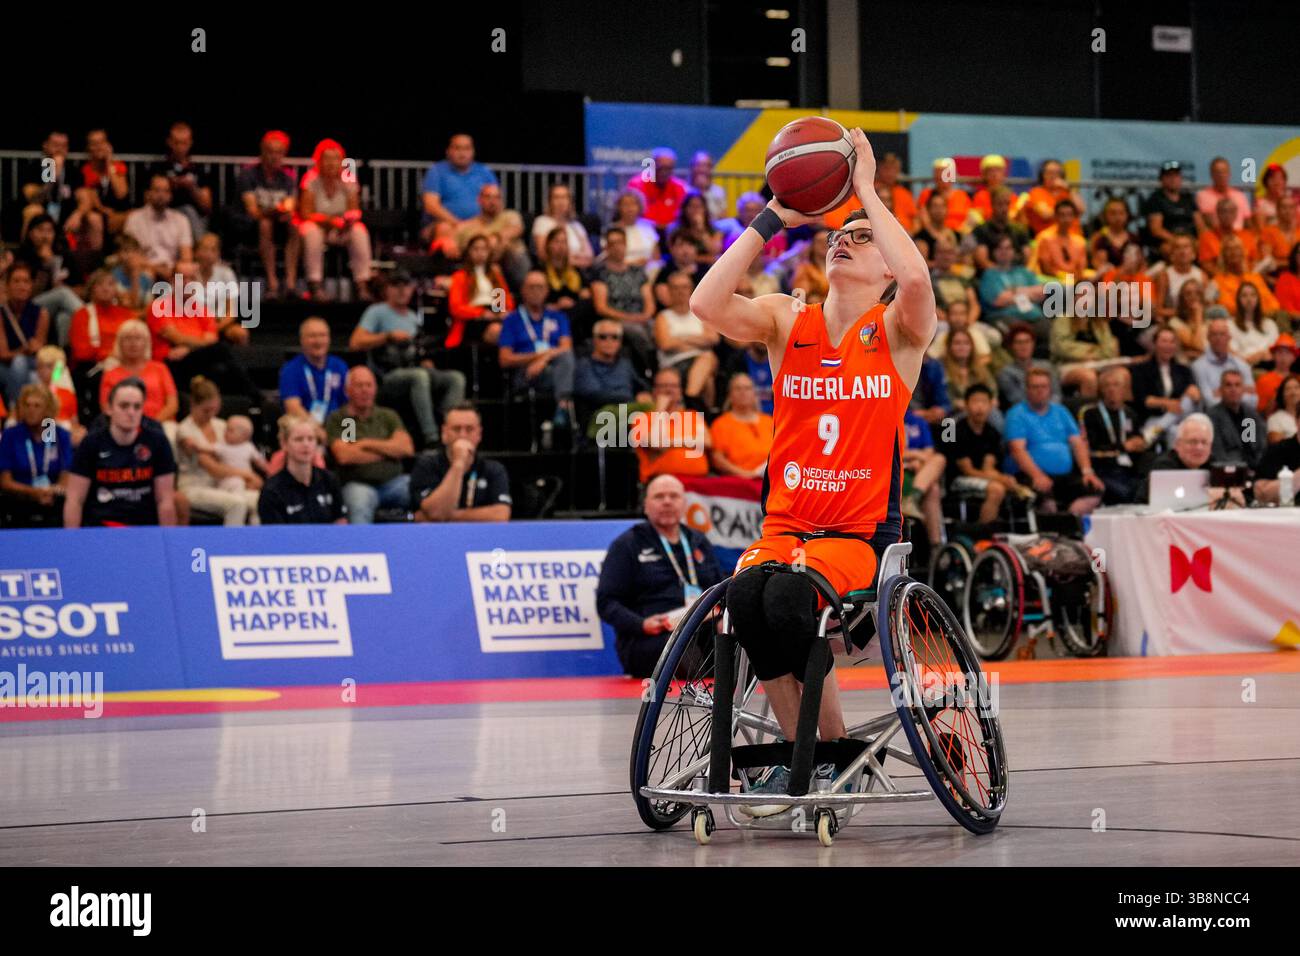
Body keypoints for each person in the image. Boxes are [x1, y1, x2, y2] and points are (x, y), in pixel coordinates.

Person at [690, 128, 939, 807]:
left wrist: (863, 192)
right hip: (785, 525)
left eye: (861, 239)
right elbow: (704, 305)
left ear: (884, 265)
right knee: (745, 603)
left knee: (790, 601)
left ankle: (821, 751)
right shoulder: (784, 319)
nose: (843, 240)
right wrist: (774, 213)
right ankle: (810, 752)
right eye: (838, 236)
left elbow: (917, 275)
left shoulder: (898, 332)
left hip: (854, 537)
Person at [595, 474, 724, 678]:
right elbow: (606, 602)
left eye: (674, 496)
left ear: (684, 504)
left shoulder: (698, 541)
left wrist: (721, 618)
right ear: (646, 505)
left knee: (740, 644)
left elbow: (718, 590)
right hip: (651, 638)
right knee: (680, 650)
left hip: (700, 627)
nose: (667, 501)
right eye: (659, 496)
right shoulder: (627, 545)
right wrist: (641, 624)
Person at [351, 270, 467, 448]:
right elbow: (355, 342)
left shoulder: (413, 317)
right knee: (419, 376)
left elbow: (418, 349)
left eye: (406, 286)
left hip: (412, 367)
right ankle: (432, 437)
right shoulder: (377, 311)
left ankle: (451, 429)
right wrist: (387, 336)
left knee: (455, 378)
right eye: (396, 286)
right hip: (387, 374)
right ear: (387, 289)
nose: (402, 291)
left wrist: (425, 360)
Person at [64, 377, 177, 527]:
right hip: (100, 528)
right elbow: (75, 500)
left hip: (144, 529)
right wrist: (72, 543)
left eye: (137, 407)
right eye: (124, 406)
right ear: (109, 408)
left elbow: (165, 501)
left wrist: (168, 544)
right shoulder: (91, 443)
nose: (131, 412)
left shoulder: (158, 442)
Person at [1005, 368, 1105, 514]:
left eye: (1044, 387)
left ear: (1050, 389)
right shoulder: (1016, 414)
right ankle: (1053, 527)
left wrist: (1087, 472)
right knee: (1046, 500)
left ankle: (1069, 522)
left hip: (1063, 476)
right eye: (1035, 387)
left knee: (1095, 490)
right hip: (1028, 474)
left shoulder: (1061, 412)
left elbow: (1078, 443)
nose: (1040, 391)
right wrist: (1037, 475)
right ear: (1027, 390)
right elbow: (1017, 450)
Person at [325, 366, 414, 524]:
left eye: (369, 385)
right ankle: (362, 548)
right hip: (359, 485)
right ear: (347, 390)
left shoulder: (387, 416)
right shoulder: (347, 420)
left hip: (394, 483)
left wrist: (366, 443)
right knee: (359, 502)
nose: (365, 390)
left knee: (423, 489)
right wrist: (388, 450)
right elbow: (346, 456)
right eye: (359, 386)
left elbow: (406, 448)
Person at [174, 377, 261, 526]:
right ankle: (230, 547)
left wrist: (249, 480)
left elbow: (234, 455)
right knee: (237, 504)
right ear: (193, 405)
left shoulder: (222, 425)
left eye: (215, 409)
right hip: (195, 487)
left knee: (260, 501)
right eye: (206, 410)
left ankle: (255, 545)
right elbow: (213, 468)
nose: (211, 415)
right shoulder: (185, 431)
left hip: (224, 485)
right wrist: (248, 475)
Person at [297, 138, 373, 301]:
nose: (331, 163)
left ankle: (362, 284)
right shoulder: (311, 179)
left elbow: (354, 210)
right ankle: (314, 284)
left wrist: (347, 220)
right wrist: (328, 221)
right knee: (311, 231)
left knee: (359, 231)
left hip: (341, 229)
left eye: (336, 159)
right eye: (327, 159)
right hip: (318, 227)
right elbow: (305, 212)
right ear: (319, 161)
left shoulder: (348, 179)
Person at [409, 402, 511, 523]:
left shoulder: (493, 469)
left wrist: (450, 515)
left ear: (479, 434)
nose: (462, 435)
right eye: (456, 429)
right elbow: (436, 512)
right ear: (444, 433)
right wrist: (458, 464)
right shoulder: (427, 465)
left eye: (469, 429)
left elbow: (500, 515)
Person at [497, 271, 575, 422]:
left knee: (569, 362)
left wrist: (544, 358)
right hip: (526, 373)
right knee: (568, 368)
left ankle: (562, 406)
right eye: (531, 287)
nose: (536, 291)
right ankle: (565, 408)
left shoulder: (558, 317)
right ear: (523, 290)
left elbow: (566, 348)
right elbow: (504, 359)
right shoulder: (511, 319)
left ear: (547, 290)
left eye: (540, 287)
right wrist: (536, 358)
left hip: (554, 369)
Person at [237, 130, 300, 299]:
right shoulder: (248, 175)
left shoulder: (287, 179)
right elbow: (253, 211)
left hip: (278, 224)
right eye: (270, 151)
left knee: (294, 224)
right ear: (262, 152)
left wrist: (286, 212)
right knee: (265, 224)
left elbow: (290, 206)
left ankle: (290, 284)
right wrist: (273, 211)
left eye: (279, 152)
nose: (274, 156)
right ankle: (272, 283)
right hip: (250, 226)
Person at [0, 384, 74, 527]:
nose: (31, 410)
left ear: (48, 409)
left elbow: (66, 475)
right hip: (19, 503)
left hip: (52, 502)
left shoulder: (55, 433)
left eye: (37, 406)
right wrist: (33, 493)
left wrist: (53, 491)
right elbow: (5, 482)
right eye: (27, 405)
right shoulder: (12, 434)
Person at [946, 383, 1020, 526]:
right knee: (997, 489)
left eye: (984, 402)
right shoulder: (953, 429)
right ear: (966, 405)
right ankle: (982, 532)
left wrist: (1004, 478)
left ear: (991, 406)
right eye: (975, 401)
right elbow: (967, 470)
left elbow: (988, 467)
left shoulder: (992, 432)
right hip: (958, 479)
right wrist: (1000, 479)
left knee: (1012, 486)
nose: (979, 407)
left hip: (982, 478)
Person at [258, 414, 347, 524]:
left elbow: (340, 522)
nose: (306, 444)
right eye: (298, 439)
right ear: (284, 444)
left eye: (311, 439)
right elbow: (274, 536)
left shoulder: (329, 480)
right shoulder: (272, 490)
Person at [591, 227, 655, 375]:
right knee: (636, 331)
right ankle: (650, 368)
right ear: (606, 247)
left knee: (658, 328)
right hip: (616, 318)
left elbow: (649, 300)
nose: (617, 247)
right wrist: (631, 318)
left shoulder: (637, 271)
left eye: (620, 242)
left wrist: (645, 315)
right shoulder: (600, 273)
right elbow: (601, 307)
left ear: (626, 244)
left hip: (641, 317)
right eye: (612, 243)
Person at [421, 133, 499, 252]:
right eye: (457, 148)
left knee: (509, 223)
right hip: (446, 225)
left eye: (467, 148)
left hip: (479, 224)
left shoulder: (484, 171)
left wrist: (477, 223)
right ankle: (451, 269)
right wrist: (458, 224)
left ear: (473, 151)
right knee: (444, 228)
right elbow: (431, 205)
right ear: (448, 151)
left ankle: (489, 269)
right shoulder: (437, 171)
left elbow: (496, 200)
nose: (462, 153)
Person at [1080, 366, 1148, 503]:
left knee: (1146, 487)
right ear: (1101, 390)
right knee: (1127, 493)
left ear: (1124, 389)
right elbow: (1090, 447)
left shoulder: (1130, 413)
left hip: (1129, 469)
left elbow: (1138, 438)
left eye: (1116, 385)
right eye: (1107, 385)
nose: (1112, 389)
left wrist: (1140, 443)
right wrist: (1122, 446)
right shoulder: (1090, 413)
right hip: (1104, 469)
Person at [632, 366, 710, 483]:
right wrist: (660, 411)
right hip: (661, 483)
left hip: (698, 483)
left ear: (680, 391)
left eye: (674, 386)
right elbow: (655, 443)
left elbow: (707, 442)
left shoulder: (693, 415)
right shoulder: (641, 418)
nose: (669, 390)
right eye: (663, 386)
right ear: (654, 391)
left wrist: (668, 443)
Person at [655, 270, 720, 409]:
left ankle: (691, 398)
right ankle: (697, 404)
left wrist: (681, 339)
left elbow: (714, 338)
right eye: (676, 287)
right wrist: (698, 341)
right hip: (675, 364)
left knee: (707, 359)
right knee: (708, 377)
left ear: (691, 290)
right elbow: (666, 344)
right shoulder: (663, 317)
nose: (680, 291)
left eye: (684, 287)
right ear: (669, 291)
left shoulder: (699, 314)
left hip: (701, 360)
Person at [572, 319, 651, 428]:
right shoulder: (584, 365)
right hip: (599, 418)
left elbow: (641, 385)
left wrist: (643, 393)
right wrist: (632, 400)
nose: (609, 341)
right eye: (603, 337)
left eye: (614, 337)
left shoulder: (625, 364)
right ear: (594, 340)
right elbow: (595, 395)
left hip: (628, 414)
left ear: (620, 341)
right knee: (650, 408)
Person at [99, 320, 179, 423]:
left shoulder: (160, 369)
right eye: (128, 338)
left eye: (138, 338)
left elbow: (172, 405)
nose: (133, 343)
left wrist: (153, 425)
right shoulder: (110, 374)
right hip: (123, 427)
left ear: (146, 342)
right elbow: (106, 407)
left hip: (161, 424)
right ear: (119, 344)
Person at [146, 121, 213, 241]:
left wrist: (192, 188)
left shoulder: (198, 170)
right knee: (186, 211)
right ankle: (202, 248)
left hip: (194, 218)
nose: (180, 147)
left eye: (184, 143)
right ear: (169, 142)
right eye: (176, 143)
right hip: (164, 214)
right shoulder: (159, 169)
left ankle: (202, 249)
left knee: (190, 212)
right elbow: (147, 198)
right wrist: (168, 186)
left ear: (190, 143)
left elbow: (207, 206)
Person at [446, 233, 514, 348]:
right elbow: (456, 307)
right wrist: (481, 313)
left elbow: (503, 303)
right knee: (498, 331)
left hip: (494, 314)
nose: (480, 253)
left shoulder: (495, 276)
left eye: (484, 249)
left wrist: (502, 311)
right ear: (469, 252)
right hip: (472, 319)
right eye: (476, 249)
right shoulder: (460, 276)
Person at [1130, 327, 1201, 438]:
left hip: (1181, 416)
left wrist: (1193, 393)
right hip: (1154, 416)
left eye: (1172, 342)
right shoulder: (1141, 369)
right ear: (1154, 344)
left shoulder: (1183, 370)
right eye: (1164, 341)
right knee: (1174, 432)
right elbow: (1143, 400)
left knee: (1188, 402)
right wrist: (1168, 403)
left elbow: (1195, 398)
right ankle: (1161, 426)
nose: (1168, 346)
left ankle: (1154, 431)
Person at [279, 317, 349, 425]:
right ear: (302, 340)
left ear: (329, 339)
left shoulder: (339, 366)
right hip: (305, 430)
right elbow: (293, 408)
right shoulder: (290, 370)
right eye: (312, 336)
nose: (318, 341)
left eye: (322, 335)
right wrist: (317, 431)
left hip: (337, 427)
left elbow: (349, 404)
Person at [455, 183, 528, 285]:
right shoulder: (466, 227)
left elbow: (515, 230)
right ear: (479, 200)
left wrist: (497, 239)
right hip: (474, 273)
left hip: (508, 273)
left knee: (515, 252)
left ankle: (503, 298)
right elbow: (456, 251)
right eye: (488, 197)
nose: (492, 201)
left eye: (497, 197)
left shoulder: (510, 216)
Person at [123, 175, 193, 279]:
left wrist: (174, 270)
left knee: (186, 269)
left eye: (166, 191)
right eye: (157, 190)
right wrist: (157, 269)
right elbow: (130, 254)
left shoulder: (181, 220)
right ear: (147, 193)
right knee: (143, 271)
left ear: (170, 195)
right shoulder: (134, 219)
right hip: (145, 268)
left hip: (172, 269)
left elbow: (186, 256)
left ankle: (179, 295)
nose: (161, 195)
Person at [1, 263, 51, 404]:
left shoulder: (42, 313)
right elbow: (3, 354)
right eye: (16, 281)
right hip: (5, 365)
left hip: (32, 362)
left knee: (37, 372)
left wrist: (36, 348)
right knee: (21, 366)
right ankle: (19, 410)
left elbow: (40, 350)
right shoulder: (1, 313)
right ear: (7, 285)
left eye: (26, 281)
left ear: (31, 286)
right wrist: (25, 349)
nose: (21, 286)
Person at [1137, 412, 1214, 502]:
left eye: (1204, 442)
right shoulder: (1164, 467)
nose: (1199, 447)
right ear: (1177, 444)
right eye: (1193, 442)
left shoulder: (1213, 465)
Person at [708, 373, 773, 479]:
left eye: (747, 388)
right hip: (739, 483)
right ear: (729, 395)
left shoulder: (769, 421)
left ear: (754, 394)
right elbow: (717, 459)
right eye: (738, 388)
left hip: (771, 479)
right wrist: (746, 474)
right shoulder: (721, 424)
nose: (743, 392)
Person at [979, 235, 1047, 335]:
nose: (1004, 252)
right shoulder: (990, 275)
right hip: (1005, 316)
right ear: (994, 252)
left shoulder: (1024, 272)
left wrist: (1014, 291)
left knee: (1047, 331)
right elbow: (999, 300)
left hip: (1033, 315)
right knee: (1019, 334)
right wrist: (1028, 292)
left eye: (1008, 248)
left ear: (1014, 251)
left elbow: (1041, 293)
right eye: (999, 248)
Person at [1192, 318, 1258, 409]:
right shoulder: (1198, 366)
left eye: (1222, 334)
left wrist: (1221, 393)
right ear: (1208, 338)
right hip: (1214, 417)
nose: (1218, 338)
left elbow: (1253, 400)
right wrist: (1241, 391)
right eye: (1214, 334)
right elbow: (1209, 401)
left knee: (1251, 422)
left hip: (1243, 415)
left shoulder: (1242, 365)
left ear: (1229, 337)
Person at [1207, 369, 1266, 468]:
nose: (1233, 389)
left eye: (1237, 385)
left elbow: (1257, 448)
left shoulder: (1250, 414)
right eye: (1228, 385)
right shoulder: (1212, 416)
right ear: (1220, 389)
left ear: (1243, 389)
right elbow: (1218, 453)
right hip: (1229, 471)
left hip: (1254, 468)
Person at [530, 182, 595, 268]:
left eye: (564, 197)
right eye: (556, 197)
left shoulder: (577, 226)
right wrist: (575, 259)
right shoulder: (542, 222)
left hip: (580, 272)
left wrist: (569, 260)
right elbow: (543, 254)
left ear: (570, 201)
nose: (561, 201)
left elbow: (590, 256)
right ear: (550, 201)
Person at [997, 322, 1060, 409]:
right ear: (1011, 346)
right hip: (1025, 413)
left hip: (1051, 411)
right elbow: (1017, 399)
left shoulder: (1047, 366)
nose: (1024, 346)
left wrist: (1049, 411)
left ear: (1033, 344)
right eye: (1019, 342)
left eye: (1027, 341)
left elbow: (1056, 394)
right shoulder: (1005, 373)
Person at [1141, 160, 1198, 257]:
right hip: (1168, 241)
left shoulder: (1188, 198)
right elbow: (1156, 230)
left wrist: (1199, 241)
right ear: (1161, 179)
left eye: (1176, 175)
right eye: (1169, 176)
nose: (1173, 179)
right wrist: (1177, 241)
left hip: (1190, 240)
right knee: (1173, 250)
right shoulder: (1155, 200)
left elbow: (1200, 224)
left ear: (1180, 178)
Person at [972, 188, 1030, 273]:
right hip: (991, 277)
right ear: (992, 204)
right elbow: (982, 261)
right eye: (1000, 204)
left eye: (1007, 204)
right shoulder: (981, 230)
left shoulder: (1020, 230)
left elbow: (1027, 258)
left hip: (1016, 274)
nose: (1004, 208)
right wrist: (1003, 274)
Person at [627, 148, 689, 229]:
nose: (664, 172)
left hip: (671, 233)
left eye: (668, 169)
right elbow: (630, 215)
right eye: (660, 168)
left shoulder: (679, 188)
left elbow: (682, 217)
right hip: (643, 231)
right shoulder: (637, 185)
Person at [1151, 234, 1206, 321]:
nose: (1182, 251)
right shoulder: (1164, 276)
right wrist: (1182, 313)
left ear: (1193, 254)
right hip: (1174, 320)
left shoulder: (1201, 275)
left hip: (1198, 319)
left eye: (1186, 247)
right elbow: (1158, 310)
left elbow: (1206, 305)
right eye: (1178, 247)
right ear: (1172, 255)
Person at [1022, 159, 1084, 236]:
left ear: (1062, 176)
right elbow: (1045, 214)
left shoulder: (1067, 192)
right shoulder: (1036, 192)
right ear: (1043, 175)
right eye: (1049, 173)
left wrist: (1069, 189)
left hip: (1075, 238)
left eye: (1057, 173)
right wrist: (1069, 212)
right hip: (1049, 239)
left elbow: (1081, 210)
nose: (1053, 176)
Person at [1199, 199, 1259, 274]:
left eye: (1231, 211)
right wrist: (1225, 278)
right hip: (1221, 279)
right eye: (1223, 211)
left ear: (1236, 214)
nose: (1227, 215)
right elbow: (1206, 265)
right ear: (1217, 213)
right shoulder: (1207, 237)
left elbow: (1254, 260)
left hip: (1247, 276)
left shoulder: (1247, 235)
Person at [1034, 199, 1089, 279]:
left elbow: (1081, 269)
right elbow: (1046, 269)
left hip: (1075, 282)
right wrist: (1064, 277)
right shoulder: (1045, 238)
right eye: (1062, 215)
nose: (1066, 219)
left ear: (1074, 217)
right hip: (1052, 282)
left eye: (1069, 215)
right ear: (1055, 216)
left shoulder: (1080, 241)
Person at [1228, 282, 1280, 366]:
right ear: (1238, 300)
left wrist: (1260, 355)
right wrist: (1247, 361)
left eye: (1253, 295)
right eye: (1244, 295)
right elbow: (1229, 351)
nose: (1249, 299)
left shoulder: (1270, 324)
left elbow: (1275, 351)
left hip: (1265, 366)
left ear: (1258, 299)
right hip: (1239, 366)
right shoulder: (1230, 324)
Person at [1195, 156, 1251, 233]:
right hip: (1216, 237)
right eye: (1217, 172)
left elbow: (1247, 222)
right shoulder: (1203, 195)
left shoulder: (1240, 195)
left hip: (1239, 238)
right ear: (1211, 174)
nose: (1221, 175)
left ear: (1229, 173)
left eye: (1224, 172)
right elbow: (1208, 222)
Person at [608, 190, 661, 267]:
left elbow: (656, 257)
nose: (630, 208)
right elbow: (611, 260)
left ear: (640, 206)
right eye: (625, 204)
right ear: (619, 207)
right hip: (623, 270)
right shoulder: (612, 230)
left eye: (633, 204)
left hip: (649, 269)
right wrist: (634, 263)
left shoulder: (648, 227)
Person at [1089, 197, 1140, 272]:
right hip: (1109, 279)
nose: (1117, 217)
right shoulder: (1100, 238)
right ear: (1105, 215)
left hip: (1132, 278)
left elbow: (1141, 266)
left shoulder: (1134, 238)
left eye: (1121, 213)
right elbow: (1100, 266)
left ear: (1127, 215)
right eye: (1113, 213)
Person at [672, 192, 724, 265]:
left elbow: (715, 252)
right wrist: (707, 259)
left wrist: (701, 229)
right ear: (684, 209)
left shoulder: (714, 230)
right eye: (691, 206)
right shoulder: (676, 230)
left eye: (699, 206)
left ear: (705, 209)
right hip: (684, 267)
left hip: (708, 268)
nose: (695, 210)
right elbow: (680, 256)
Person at [1256, 334, 1297, 415]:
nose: (1283, 357)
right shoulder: (1263, 380)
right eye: (1280, 352)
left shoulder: (1298, 378)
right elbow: (1260, 414)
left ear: (1294, 357)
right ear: (1273, 355)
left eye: (1288, 353)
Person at [689, 151, 728, 221]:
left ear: (710, 169)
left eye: (705, 166)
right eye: (698, 165)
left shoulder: (719, 191)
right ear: (692, 168)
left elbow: (723, 216)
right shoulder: (684, 189)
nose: (702, 169)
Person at [1266, 375, 1300, 444]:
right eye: (1288, 389)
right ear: (1282, 395)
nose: (1293, 392)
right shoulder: (1275, 419)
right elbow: (1277, 443)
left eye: (1296, 388)